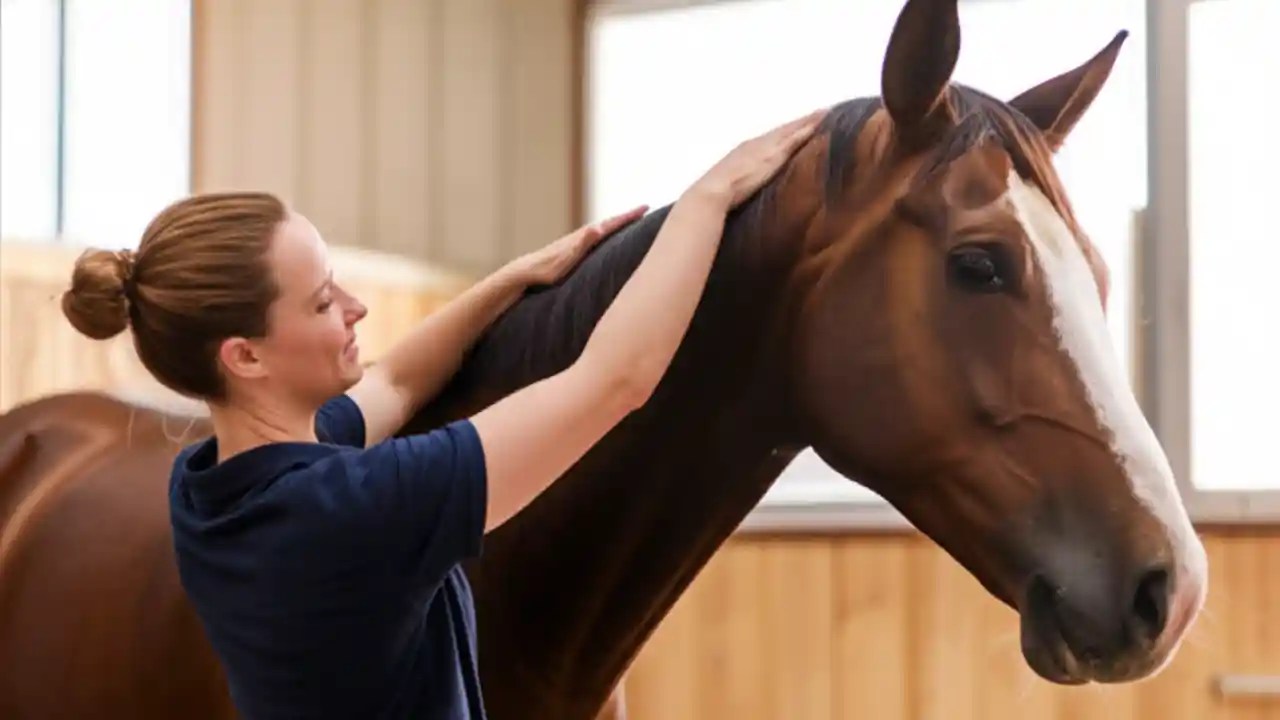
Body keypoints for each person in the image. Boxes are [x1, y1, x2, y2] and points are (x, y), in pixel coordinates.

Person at [59, 107, 825, 720]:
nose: (356, 308)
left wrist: (511, 280)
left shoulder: (210, 487)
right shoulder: (348, 512)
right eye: (324, 301)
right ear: (245, 356)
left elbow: (396, 381)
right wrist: (710, 199)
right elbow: (616, 380)